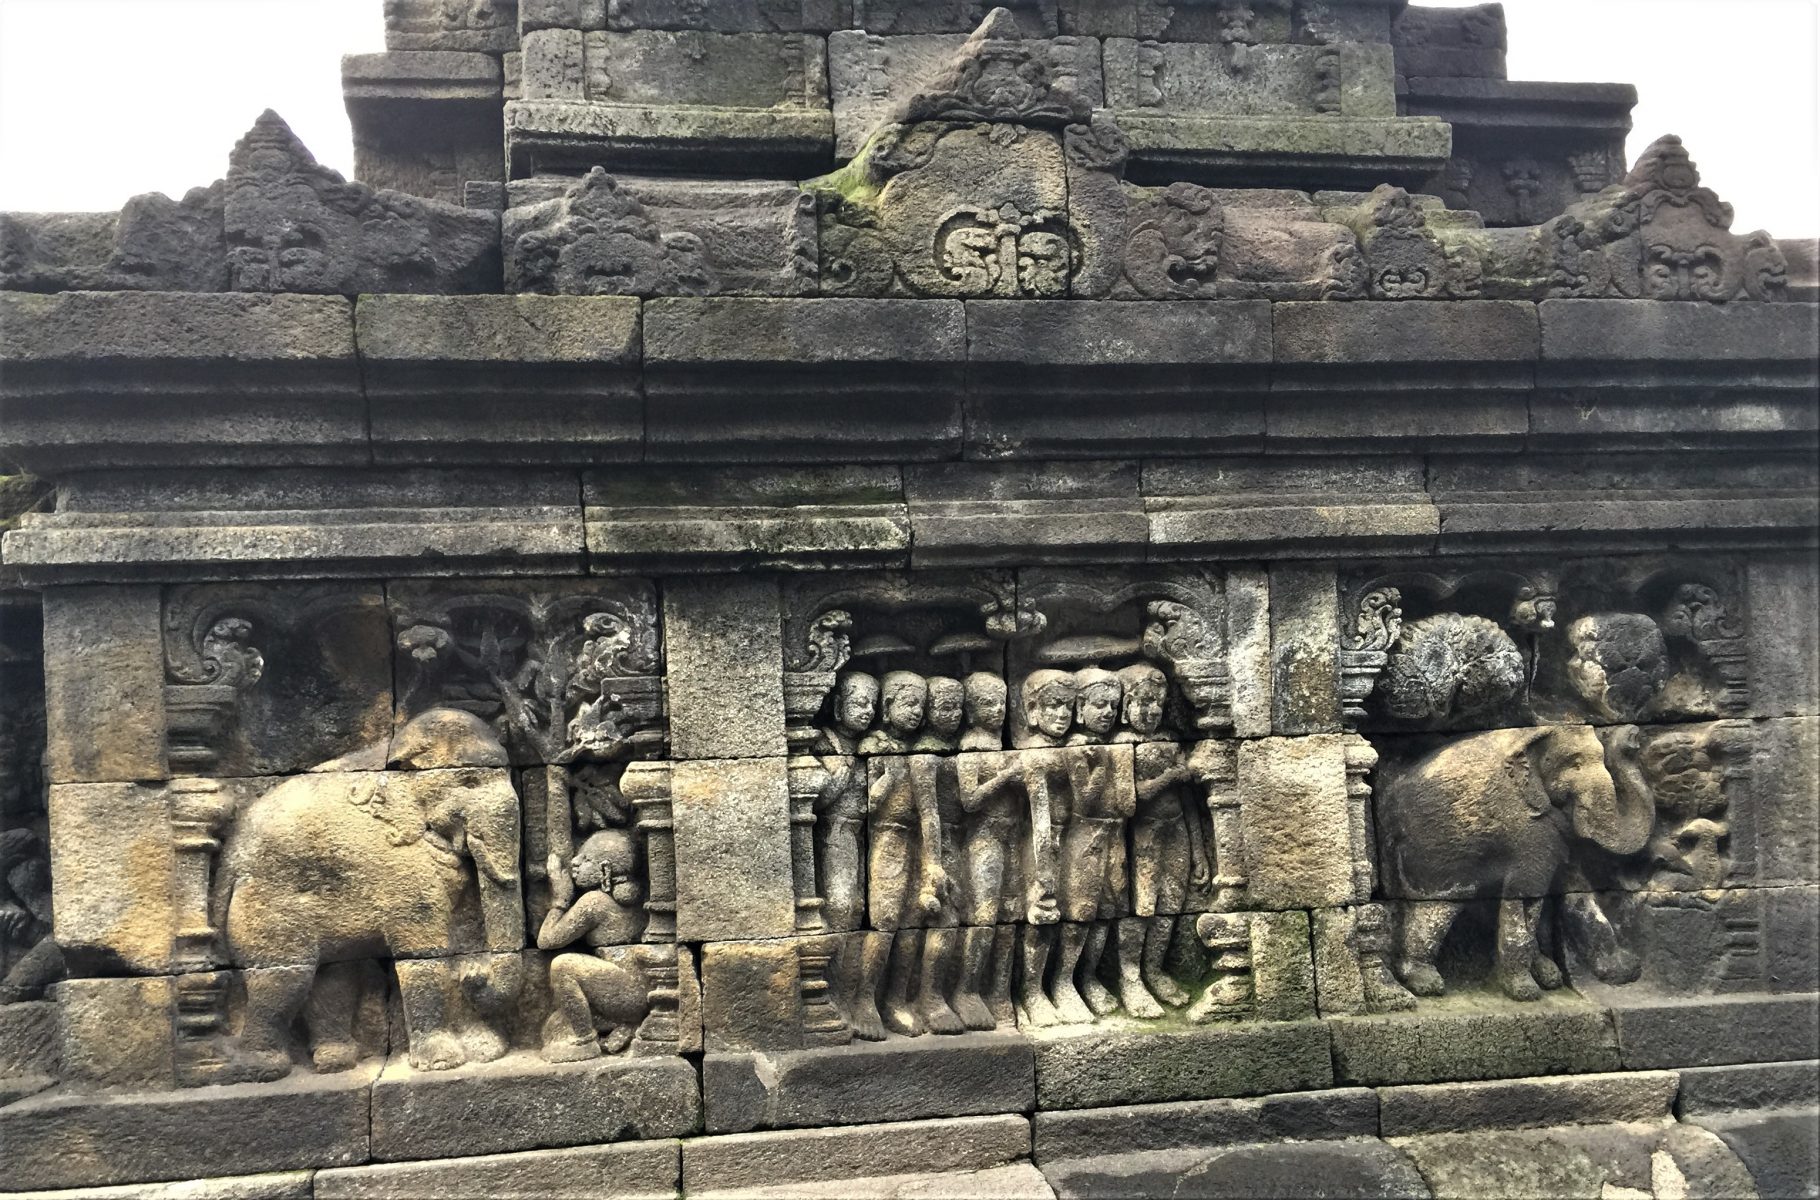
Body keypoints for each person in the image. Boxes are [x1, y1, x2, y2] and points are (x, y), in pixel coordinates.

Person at [537, 829, 651, 1060]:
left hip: (628, 993)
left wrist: (560, 899)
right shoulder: (637, 900)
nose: (575, 863)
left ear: (605, 870)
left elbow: (546, 940)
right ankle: (618, 1026)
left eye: (586, 859)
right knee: (555, 1026)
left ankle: (585, 1042)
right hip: (638, 991)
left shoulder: (595, 902)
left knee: (562, 966)